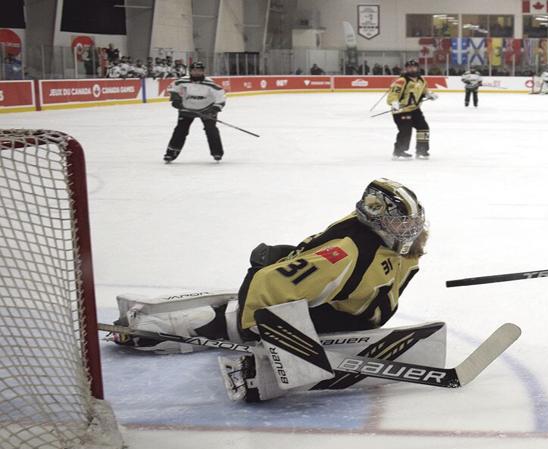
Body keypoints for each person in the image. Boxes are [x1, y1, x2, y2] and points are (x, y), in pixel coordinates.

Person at [109, 180, 441, 403]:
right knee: (234, 317)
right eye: (399, 222)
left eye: (409, 222)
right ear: (377, 217)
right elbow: (270, 286)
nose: (409, 230)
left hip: (337, 304)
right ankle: (148, 328)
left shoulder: (389, 243)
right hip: (316, 302)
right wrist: (256, 328)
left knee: (249, 309)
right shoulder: (346, 253)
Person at [163, 61, 225, 163]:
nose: (197, 72)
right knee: (180, 130)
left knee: (211, 130)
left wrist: (214, 109)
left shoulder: (210, 83)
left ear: (203, 71)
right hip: (187, 109)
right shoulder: (181, 81)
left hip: (206, 109)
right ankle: (171, 152)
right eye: (194, 70)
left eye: (199, 71)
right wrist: (176, 99)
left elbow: (220, 96)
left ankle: (217, 152)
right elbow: (172, 88)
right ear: (190, 71)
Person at [387, 59, 437, 159]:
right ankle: (398, 151)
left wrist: (429, 94)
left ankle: (422, 150)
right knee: (406, 130)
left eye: (414, 67)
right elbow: (393, 94)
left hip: (415, 110)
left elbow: (424, 91)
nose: (412, 69)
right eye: (409, 67)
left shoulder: (421, 80)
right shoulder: (401, 81)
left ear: (417, 68)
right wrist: (394, 103)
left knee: (423, 127)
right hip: (401, 111)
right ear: (406, 69)